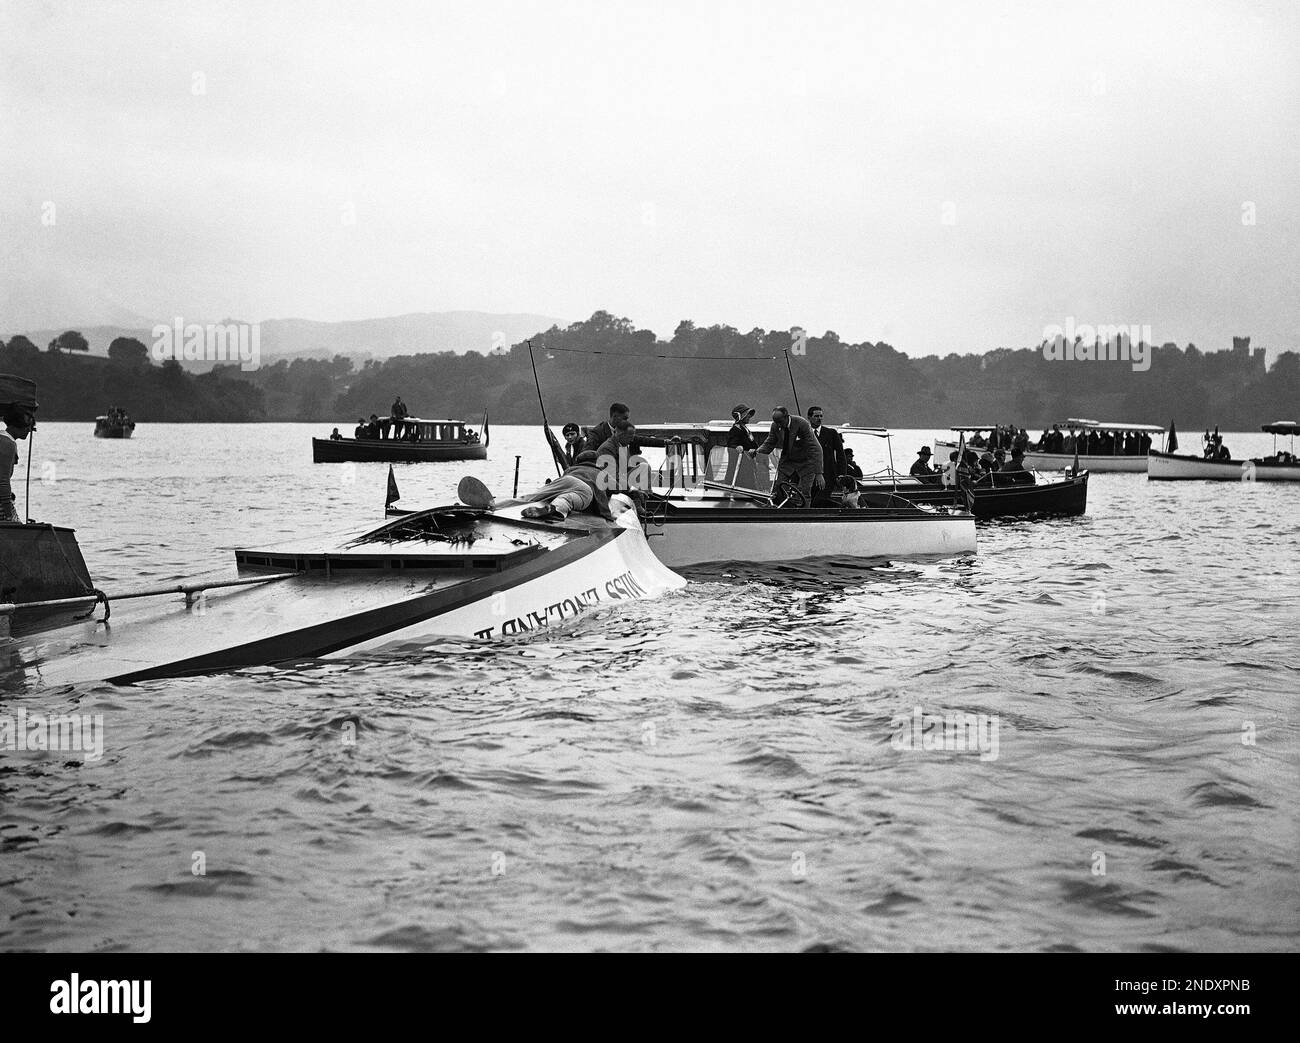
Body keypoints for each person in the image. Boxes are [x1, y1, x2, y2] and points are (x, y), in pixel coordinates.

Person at [457, 451, 610, 522]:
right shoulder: (600, 473)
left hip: (569, 480)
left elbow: (561, 481)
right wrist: (607, 515)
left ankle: (494, 506)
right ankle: (556, 509)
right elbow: (611, 492)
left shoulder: (572, 469)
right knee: (568, 499)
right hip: (585, 493)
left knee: (529, 497)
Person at [749, 405, 823, 506]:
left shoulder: (801, 423)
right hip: (788, 461)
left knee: (803, 492)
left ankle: (803, 515)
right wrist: (757, 452)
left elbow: (816, 448)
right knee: (779, 488)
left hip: (806, 462)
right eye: (776, 422)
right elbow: (770, 442)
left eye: (780, 421)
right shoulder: (775, 425)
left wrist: (819, 473)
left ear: (786, 416)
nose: (779, 425)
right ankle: (781, 511)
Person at [0, 405, 35, 522]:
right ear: (16, 425)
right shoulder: (8, 443)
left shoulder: (3, 439)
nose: (29, 430)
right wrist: (9, 513)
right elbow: (3, 481)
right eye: (28, 426)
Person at [807, 405, 846, 506]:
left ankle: (842, 508)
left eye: (821, 416)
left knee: (819, 501)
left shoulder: (831, 433)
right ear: (809, 417)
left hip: (828, 476)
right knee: (810, 503)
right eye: (816, 416)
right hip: (809, 476)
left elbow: (841, 455)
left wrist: (841, 475)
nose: (819, 418)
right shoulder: (804, 433)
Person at [724, 403, 760, 487]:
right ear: (741, 416)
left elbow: (753, 445)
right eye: (747, 415)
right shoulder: (735, 430)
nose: (749, 417)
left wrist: (755, 450)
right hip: (739, 470)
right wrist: (737, 447)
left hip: (747, 466)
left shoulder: (745, 429)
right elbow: (730, 444)